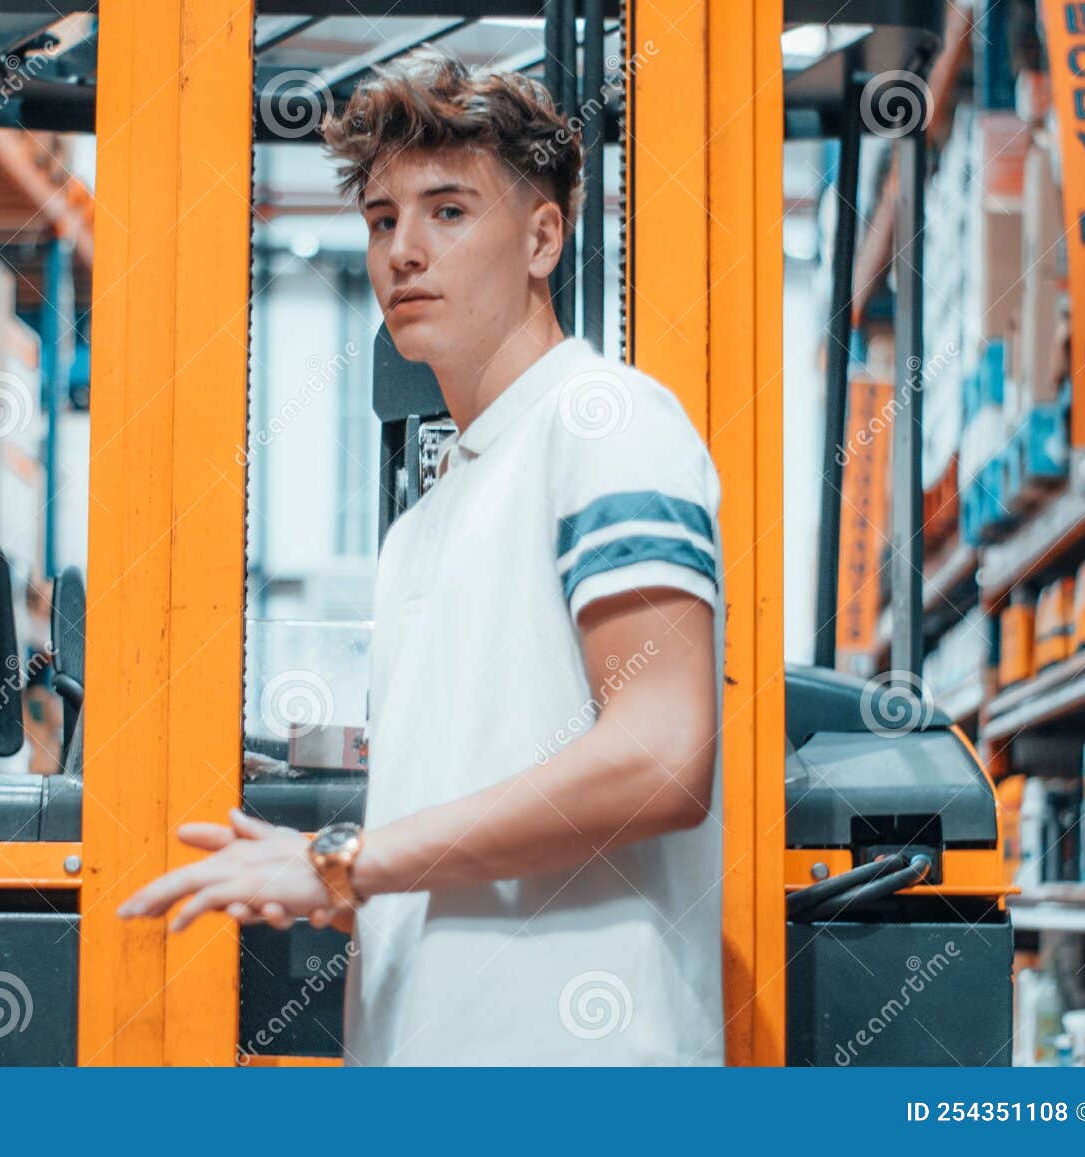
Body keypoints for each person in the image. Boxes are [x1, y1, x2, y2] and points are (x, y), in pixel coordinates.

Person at [119, 49, 725, 1066]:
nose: (404, 249)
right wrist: (331, 884)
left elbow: (663, 754)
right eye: (382, 219)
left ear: (541, 238)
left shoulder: (602, 419)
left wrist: (344, 861)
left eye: (448, 211)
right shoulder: (431, 517)